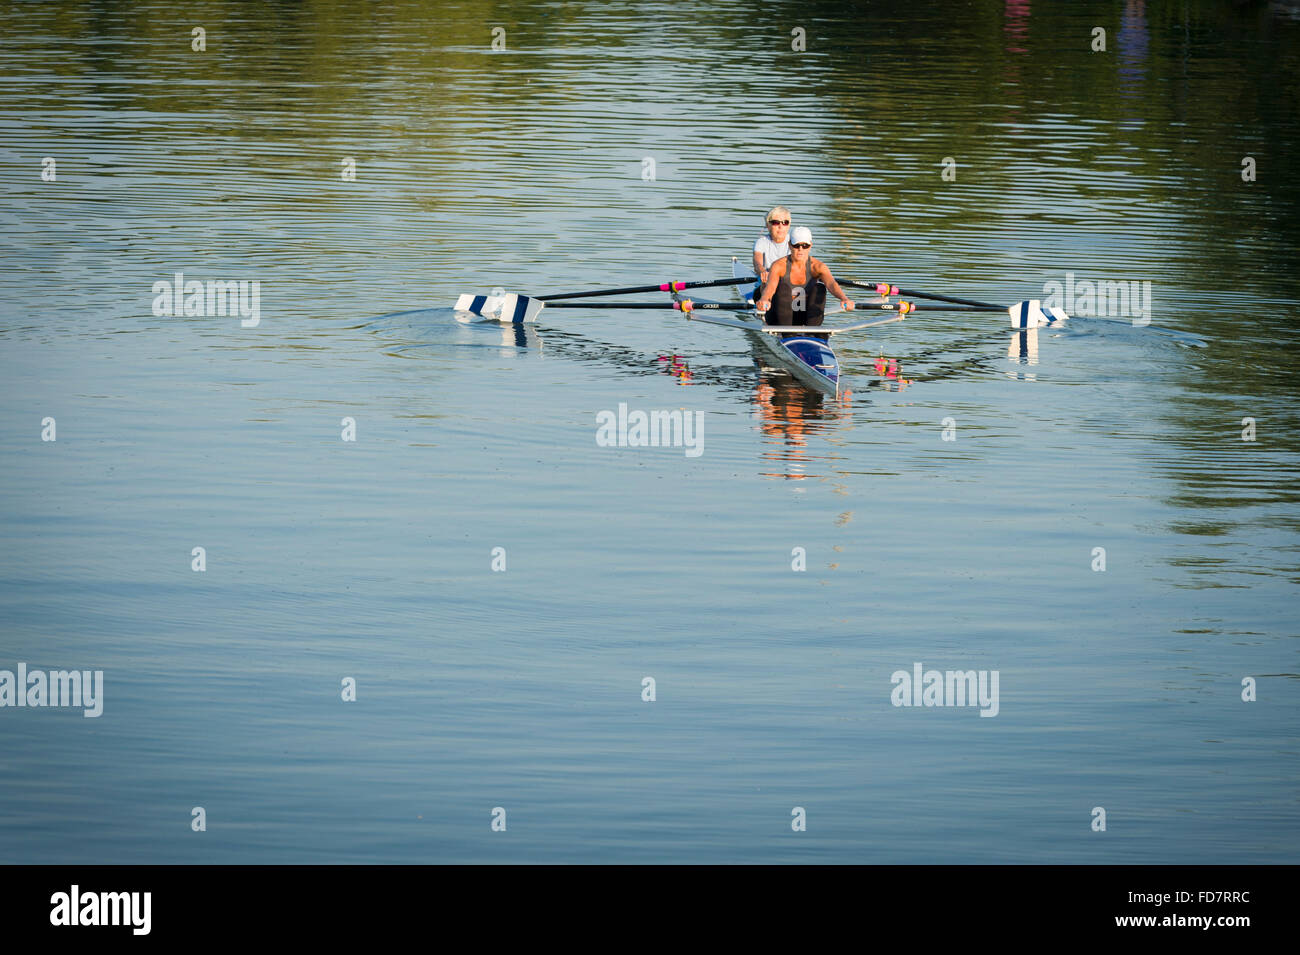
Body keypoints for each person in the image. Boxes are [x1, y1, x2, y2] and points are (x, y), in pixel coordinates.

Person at [756, 226, 854, 329]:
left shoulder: (818, 267)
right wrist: (764, 299)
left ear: (810, 245)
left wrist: (844, 298)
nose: (800, 249)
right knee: (783, 288)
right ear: (789, 245)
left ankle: (812, 332)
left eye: (805, 245)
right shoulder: (778, 266)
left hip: (804, 315)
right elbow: (771, 287)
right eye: (796, 245)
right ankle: (786, 333)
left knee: (819, 288)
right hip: (778, 317)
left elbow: (831, 284)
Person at [752, 207, 791, 284]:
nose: (780, 226)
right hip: (767, 282)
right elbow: (757, 263)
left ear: (789, 225)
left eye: (785, 222)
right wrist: (762, 271)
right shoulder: (761, 242)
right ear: (767, 225)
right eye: (775, 222)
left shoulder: (794, 242)